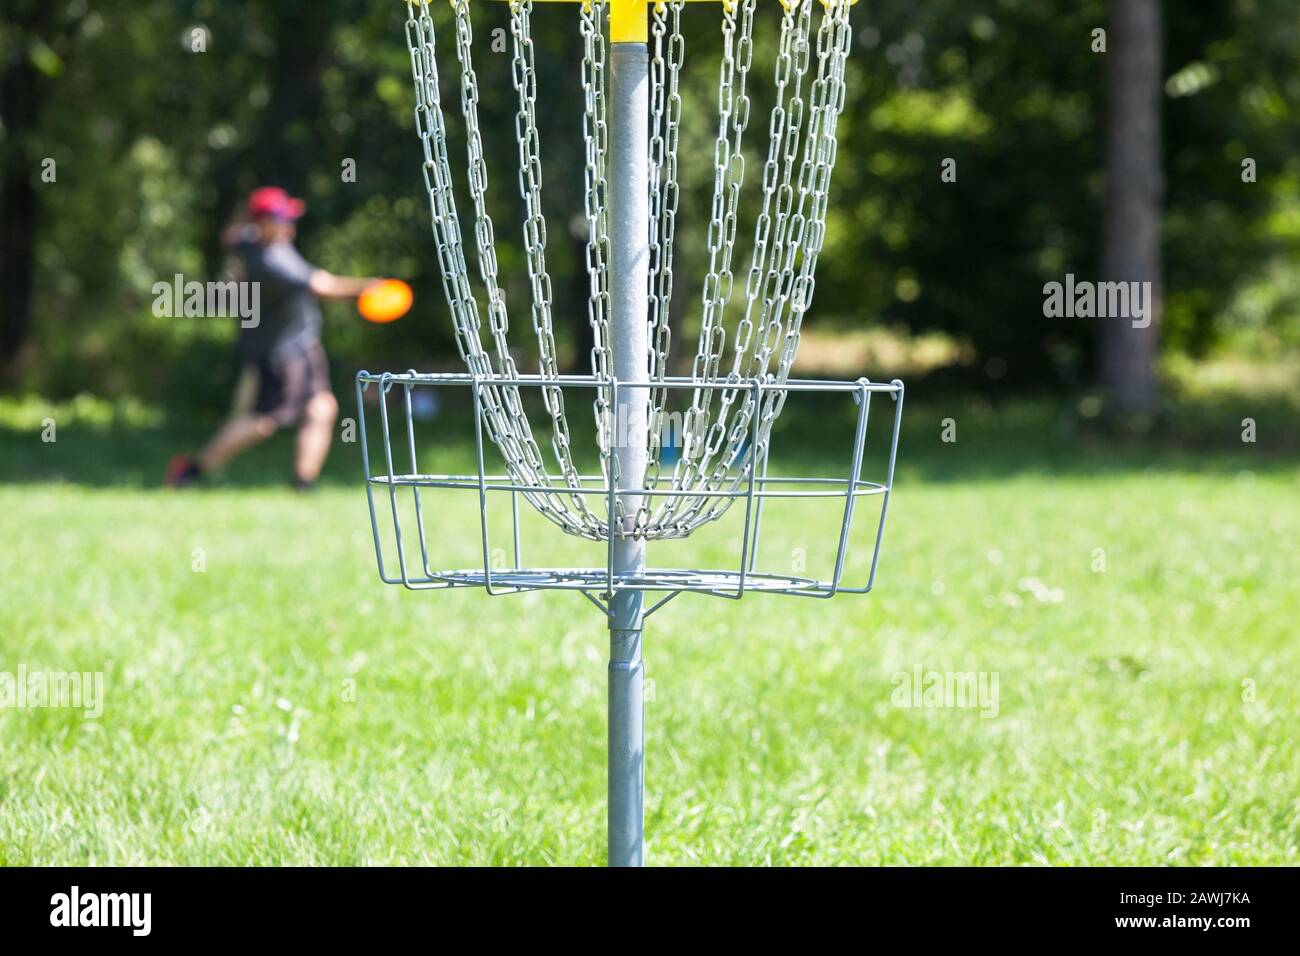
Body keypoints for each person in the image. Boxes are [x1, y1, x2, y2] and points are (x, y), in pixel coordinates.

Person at [165, 187, 376, 490]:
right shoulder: (271, 259)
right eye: (281, 218)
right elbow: (322, 286)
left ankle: (303, 485)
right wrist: (367, 288)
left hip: (301, 344)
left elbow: (230, 235)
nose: (290, 225)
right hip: (281, 353)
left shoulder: (251, 241)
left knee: (322, 408)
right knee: (264, 422)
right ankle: (191, 472)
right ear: (263, 223)